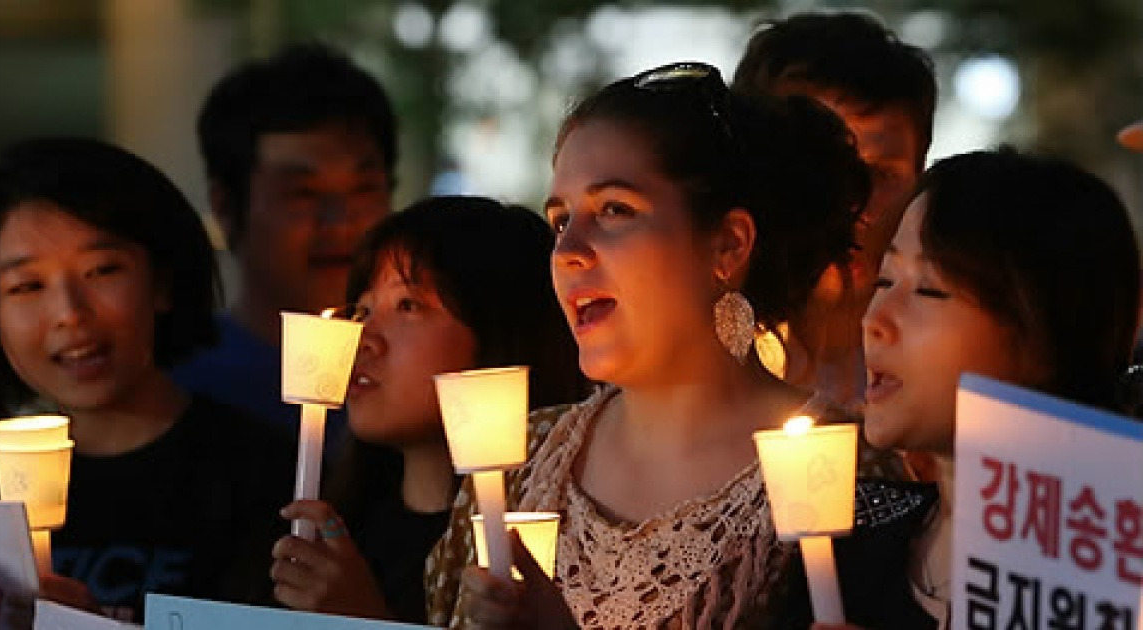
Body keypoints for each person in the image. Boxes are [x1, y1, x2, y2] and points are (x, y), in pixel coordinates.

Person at [427, 61, 901, 628]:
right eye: (559, 221)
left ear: (728, 245)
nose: (569, 250)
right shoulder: (517, 463)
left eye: (615, 210)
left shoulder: (843, 472)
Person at [777, 147, 1142, 629]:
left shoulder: (1112, 575)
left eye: (929, 290)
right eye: (885, 281)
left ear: (1047, 332)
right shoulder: (847, 556)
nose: (875, 321)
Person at [0, 137, 296, 623]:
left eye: (101, 270)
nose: (70, 313)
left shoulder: (274, 481)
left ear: (163, 282)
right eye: (27, 286)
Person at [266, 196, 588, 623]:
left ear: (498, 332)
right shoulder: (333, 525)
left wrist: (362, 619)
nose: (364, 338)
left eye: (408, 306)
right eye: (362, 310)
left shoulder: (543, 543)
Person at [171, 43, 396, 447]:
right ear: (226, 206)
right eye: (302, 193)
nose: (341, 221)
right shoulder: (178, 393)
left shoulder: (425, 375)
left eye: (363, 189)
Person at [732, 12, 937, 412]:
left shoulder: (946, 359)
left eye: (880, 174)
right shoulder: (701, 354)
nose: (852, 203)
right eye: (820, 168)